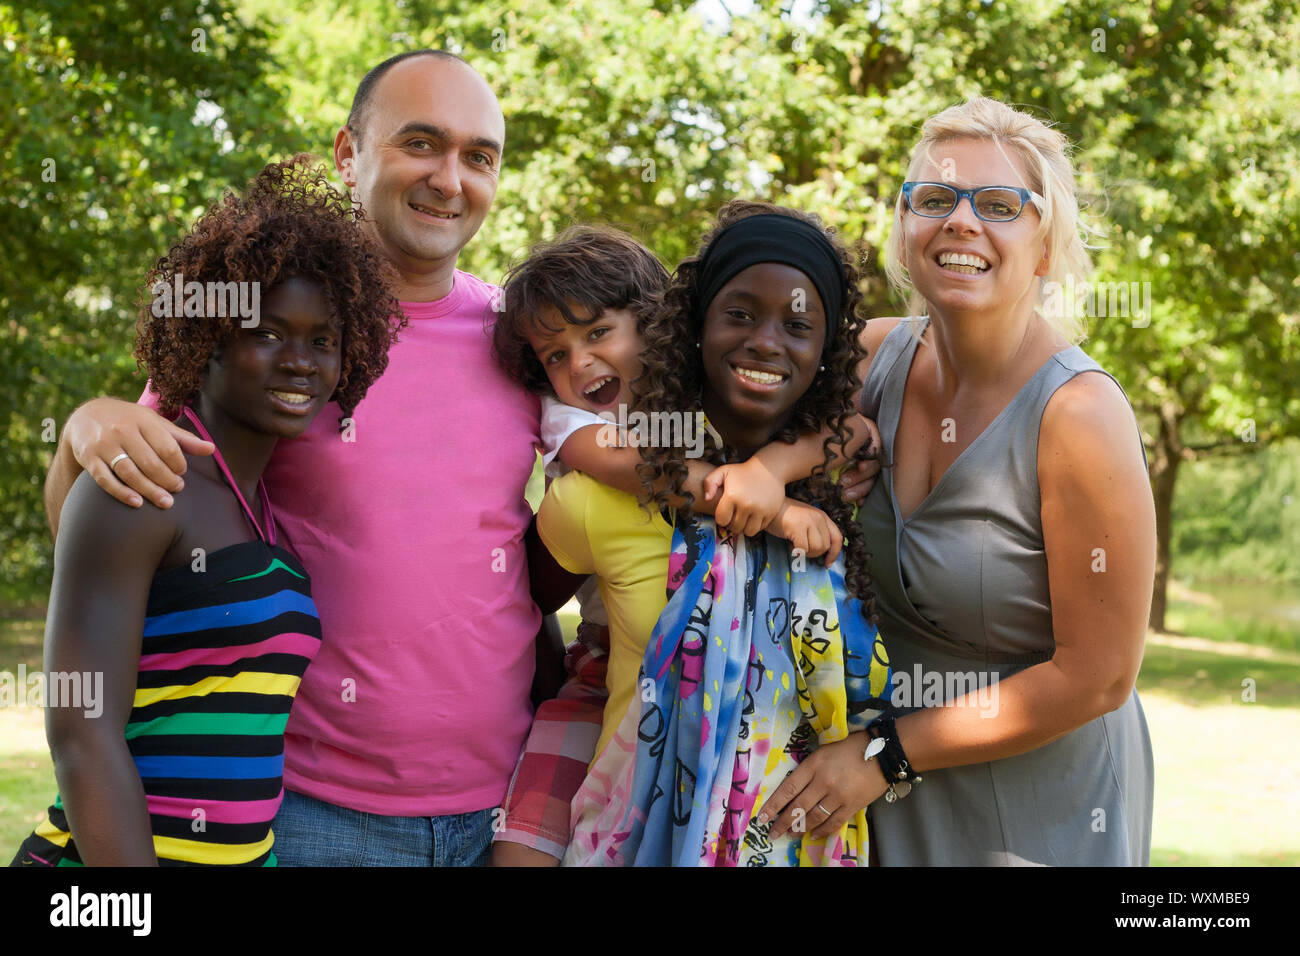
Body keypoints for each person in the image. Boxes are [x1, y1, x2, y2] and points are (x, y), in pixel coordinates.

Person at [41, 51, 573, 866]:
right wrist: (85, 424)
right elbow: (111, 518)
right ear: (347, 155)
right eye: (420, 143)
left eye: (479, 156)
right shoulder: (262, 332)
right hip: (312, 815)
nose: (449, 178)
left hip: (501, 810)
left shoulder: (526, 340)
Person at [762, 96, 1156, 865]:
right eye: (934, 199)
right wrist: (800, 477)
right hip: (880, 790)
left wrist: (884, 754)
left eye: (1001, 205)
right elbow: (730, 438)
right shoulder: (870, 360)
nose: (961, 222)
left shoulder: (1078, 415)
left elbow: (1097, 677)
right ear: (905, 232)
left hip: (1035, 800)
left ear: (1046, 246)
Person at [12, 155, 401, 866]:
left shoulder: (259, 508)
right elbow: (80, 732)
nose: (301, 362)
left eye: (324, 341)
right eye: (268, 333)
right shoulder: (143, 485)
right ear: (208, 336)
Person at [513, 201, 893, 866]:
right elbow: (520, 600)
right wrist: (766, 507)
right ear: (695, 327)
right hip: (614, 737)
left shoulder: (839, 483)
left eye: (600, 332)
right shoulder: (590, 476)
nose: (580, 363)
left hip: (790, 819)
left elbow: (853, 428)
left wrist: (774, 472)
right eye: (554, 353)